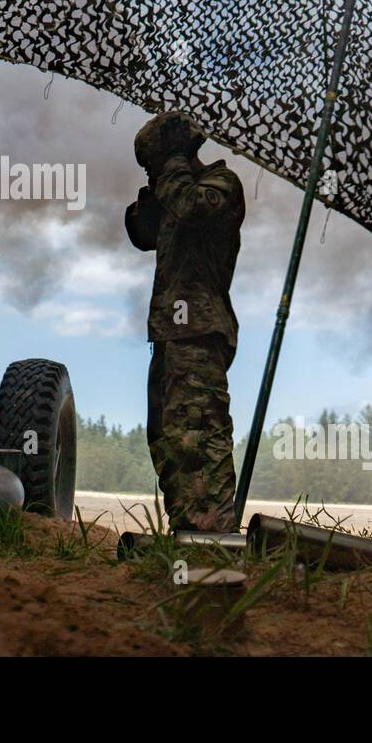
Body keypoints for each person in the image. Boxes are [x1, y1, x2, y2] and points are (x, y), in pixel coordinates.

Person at [127, 111, 245, 531]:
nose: (153, 174)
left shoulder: (219, 185)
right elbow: (141, 233)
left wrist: (172, 166)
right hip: (172, 334)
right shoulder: (173, 192)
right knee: (168, 437)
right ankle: (188, 528)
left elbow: (193, 207)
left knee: (198, 434)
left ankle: (210, 534)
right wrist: (154, 188)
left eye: (153, 164)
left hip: (198, 330)